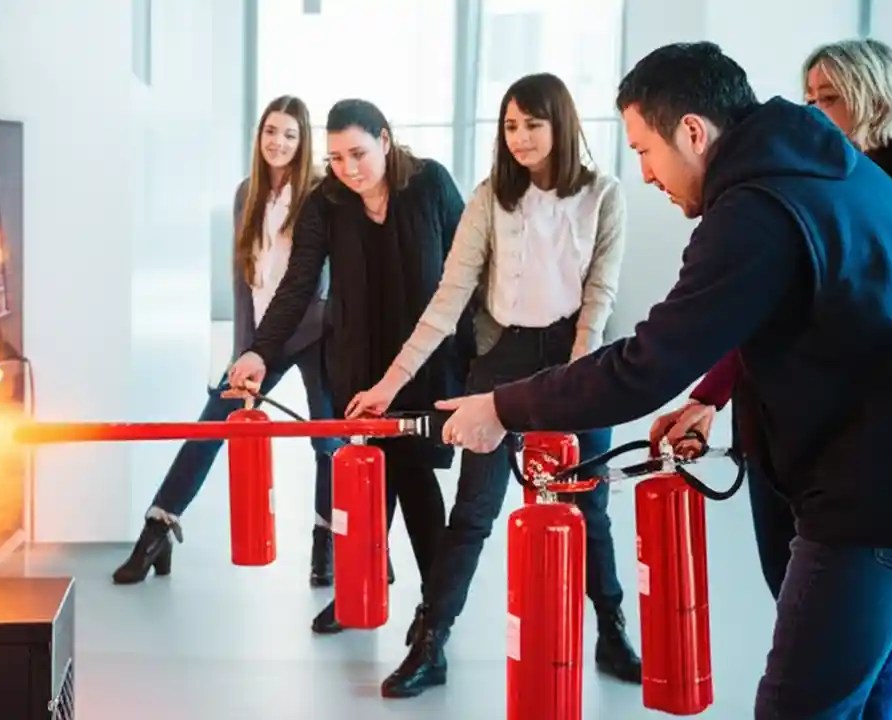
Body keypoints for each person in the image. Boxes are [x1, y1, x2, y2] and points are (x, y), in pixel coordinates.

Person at [435, 41, 892, 719]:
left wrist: (503, 407)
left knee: (800, 708)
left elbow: (646, 365)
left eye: (645, 150)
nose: (646, 174)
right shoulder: (827, 168)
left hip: (883, 496)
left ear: (692, 131)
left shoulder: (755, 209)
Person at [653, 38, 892, 718]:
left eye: (829, 97)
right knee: (851, 657)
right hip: (816, 448)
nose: (813, 111)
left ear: (875, 99)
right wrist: (709, 396)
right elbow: (766, 303)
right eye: (809, 96)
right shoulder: (809, 183)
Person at [343, 73, 639, 697]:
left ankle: (611, 631)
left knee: (588, 505)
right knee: (474, 510)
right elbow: (448, 299)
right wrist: (391, 383)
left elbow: (600, 296)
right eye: (510, 126)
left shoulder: (604, 195)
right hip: (502, 359)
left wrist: (576, 382)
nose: (520, 137)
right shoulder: (489, 198)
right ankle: (431, 643)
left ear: (561, 124)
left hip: (578, 357)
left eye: (533, 124)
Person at [229, 98, 474, 634]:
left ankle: (429, 610)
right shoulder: (327, 202)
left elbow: (470, 273)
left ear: (385, 140)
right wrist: (259, 350)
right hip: (360, 368)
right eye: (336, 158)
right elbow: (298, 283)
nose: (348, 169)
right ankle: (372, 591)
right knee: (372, 476)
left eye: (358, 153)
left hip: (425, 365)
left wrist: (481, 365)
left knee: (411, 473)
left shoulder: (430, 184)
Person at [112, 95, 340, 587]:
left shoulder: (319, 193)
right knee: (212, 424)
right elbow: (243, 279)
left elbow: (316, 281)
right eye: (271, 132)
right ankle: (157, 528)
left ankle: (326, 543)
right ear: (260, 137)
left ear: (303, 142)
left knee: (328, 439)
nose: (278, 142)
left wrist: (272, 343)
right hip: (262, 341)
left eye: (290, 135)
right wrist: (244, 349)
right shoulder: (246, 193)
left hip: (313, 334)